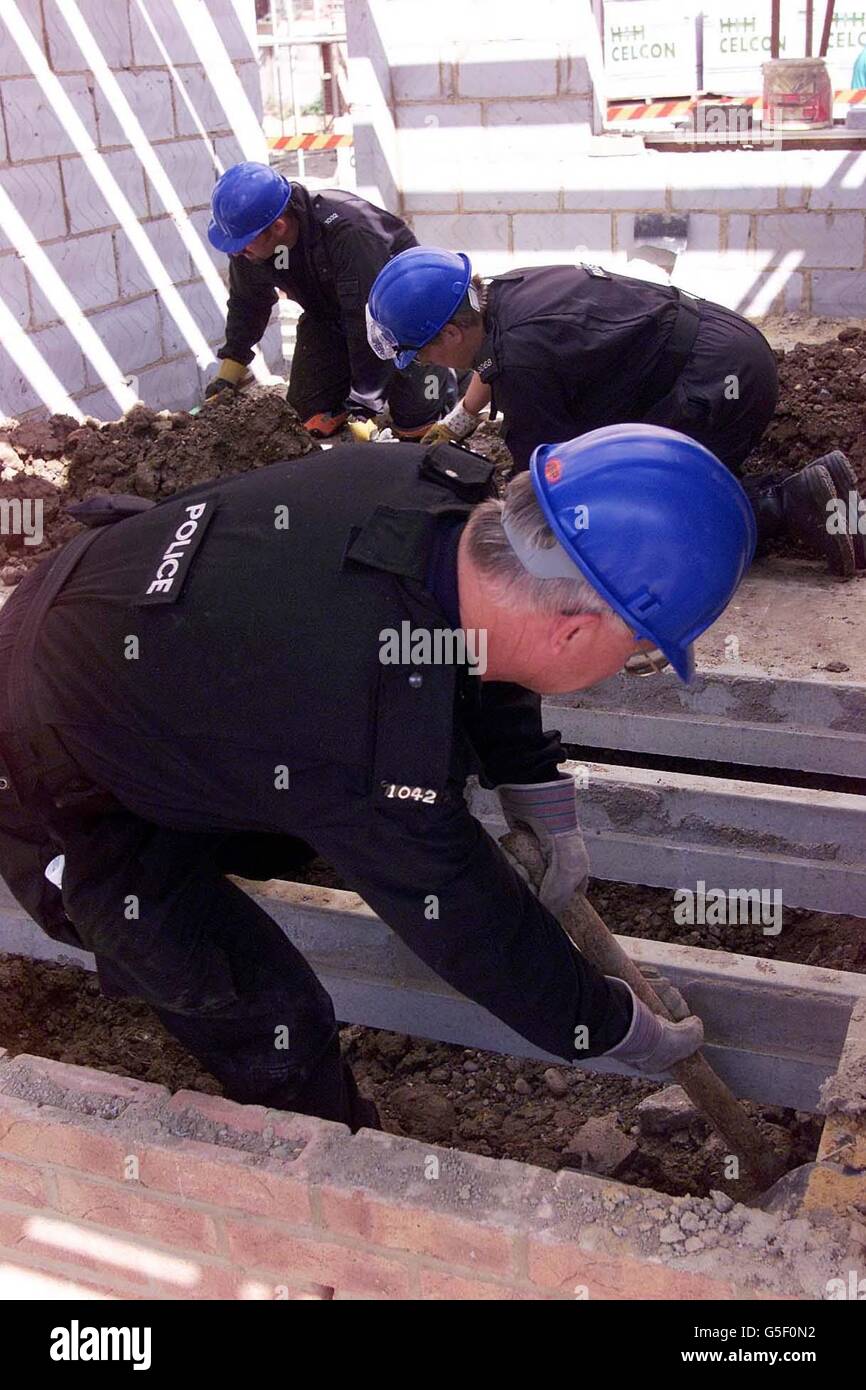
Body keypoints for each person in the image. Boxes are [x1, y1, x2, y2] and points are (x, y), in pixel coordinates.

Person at [0, 424, 755, 1129]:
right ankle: (337, 1164)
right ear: (576, 629)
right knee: (260, 1008)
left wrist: (533, 782)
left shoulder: (432, 487)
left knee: (293, 815)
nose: (626, 667)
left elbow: (487, 640)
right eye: (638, 649)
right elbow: (466, 921)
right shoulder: (360, 730)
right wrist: (604, 1021)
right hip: (43, 759)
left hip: (121, 613)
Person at [367, 247, 863, 576]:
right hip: (723, 351)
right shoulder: (500, 295)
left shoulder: (523, 357)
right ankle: (758, 489)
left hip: (717, 385)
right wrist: (457, 421)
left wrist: (489, 539)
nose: (426, 365)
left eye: (422, 352)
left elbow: (544, 485)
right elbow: (494, 361)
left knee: (620, 533)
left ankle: (790, 502)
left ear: (451, 333)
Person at [205, 161, 452, 439]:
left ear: (279, 226)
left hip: (400, 322)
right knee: (308, 418)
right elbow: (248, 303)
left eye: (242, 244)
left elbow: (367, 323)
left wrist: (364, 406)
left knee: (416, 426)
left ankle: (451, 377)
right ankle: (350, 390)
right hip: (330, 318)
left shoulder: (348, 233)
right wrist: (229, 372)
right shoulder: (250, 245)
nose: (237, 253)